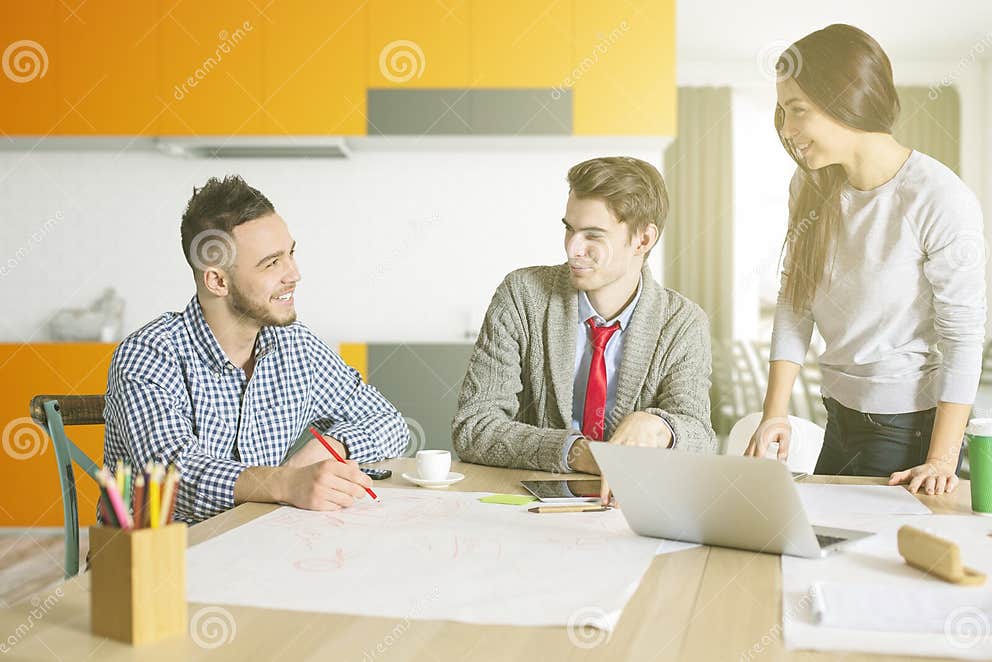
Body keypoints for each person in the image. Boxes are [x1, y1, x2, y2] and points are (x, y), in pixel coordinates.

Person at [745, 24, 986, 496]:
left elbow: (962, 338)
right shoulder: (811, 185)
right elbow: (796, 300)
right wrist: (775, 413)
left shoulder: (938, 197)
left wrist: (941, 460)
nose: (787, 129)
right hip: (838, 414)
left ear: (845, 99)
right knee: (815, 531)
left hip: (905, 428)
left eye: (798, 110)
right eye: (783, 112)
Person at [103, 175, 409, 523]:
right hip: (168, 552)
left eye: (290, 254)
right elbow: (175, 477)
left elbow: (389, 422)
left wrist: (327, 447)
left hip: (260, 540)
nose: (294, 274)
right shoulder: (149, 355)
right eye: (271, 263)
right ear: (218, 281)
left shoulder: (295, 345)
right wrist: (285, 482)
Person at [453, 156, 718, 501]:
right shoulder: (521, 296)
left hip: (634, 510)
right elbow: (474, 426)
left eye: (593, 235)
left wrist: (660, 427)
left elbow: (701, 438)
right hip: (528, 509)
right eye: (569, 229)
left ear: (643, 239)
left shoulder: (683, 323)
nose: (572, 249)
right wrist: (577, 452)